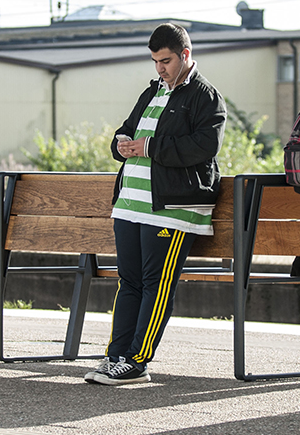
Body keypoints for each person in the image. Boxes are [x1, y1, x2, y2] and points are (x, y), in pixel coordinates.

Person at [84, 23, 226, 385]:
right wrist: (121, 142)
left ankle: (137, 361)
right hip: (131, 203)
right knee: (128, 281)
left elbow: (204, 147)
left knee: (155, 285)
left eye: (165, 61)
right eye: (155, 61)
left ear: (185, 55)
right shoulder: (153, 91)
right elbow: (128, 129)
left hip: (172, 209)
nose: (160, 68)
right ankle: (116, 356)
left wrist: (147, 147)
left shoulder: (205, 96)